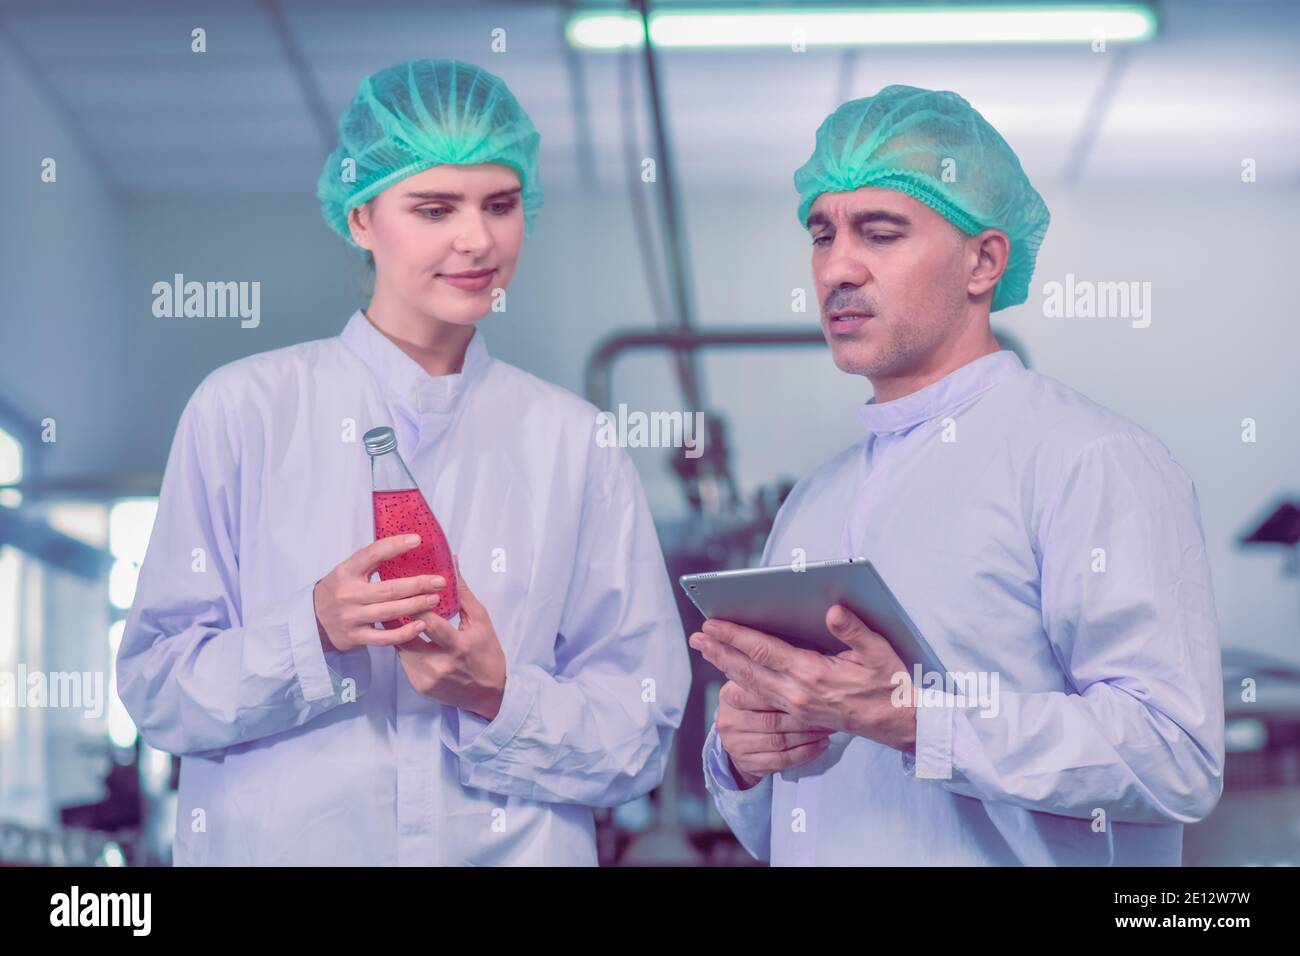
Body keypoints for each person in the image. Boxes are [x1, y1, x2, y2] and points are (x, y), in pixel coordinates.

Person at [116, 58, 690, 866]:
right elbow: (157, 690)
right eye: (433, 207)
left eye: (501, 203)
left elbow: (640, 735)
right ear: (359, 218)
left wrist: (497, 693)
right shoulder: (243, 411)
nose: (476, 239)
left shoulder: (575, 443)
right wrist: (310, 630)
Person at [691, 85, 1224, 865]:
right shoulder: (814, 500)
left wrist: (920, 720)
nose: (838, 266)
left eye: (880, 232)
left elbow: (1177, 758)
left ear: (983, 260)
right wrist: (745, 756)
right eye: (821, 233)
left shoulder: (1091, 462)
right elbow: (789, 827)